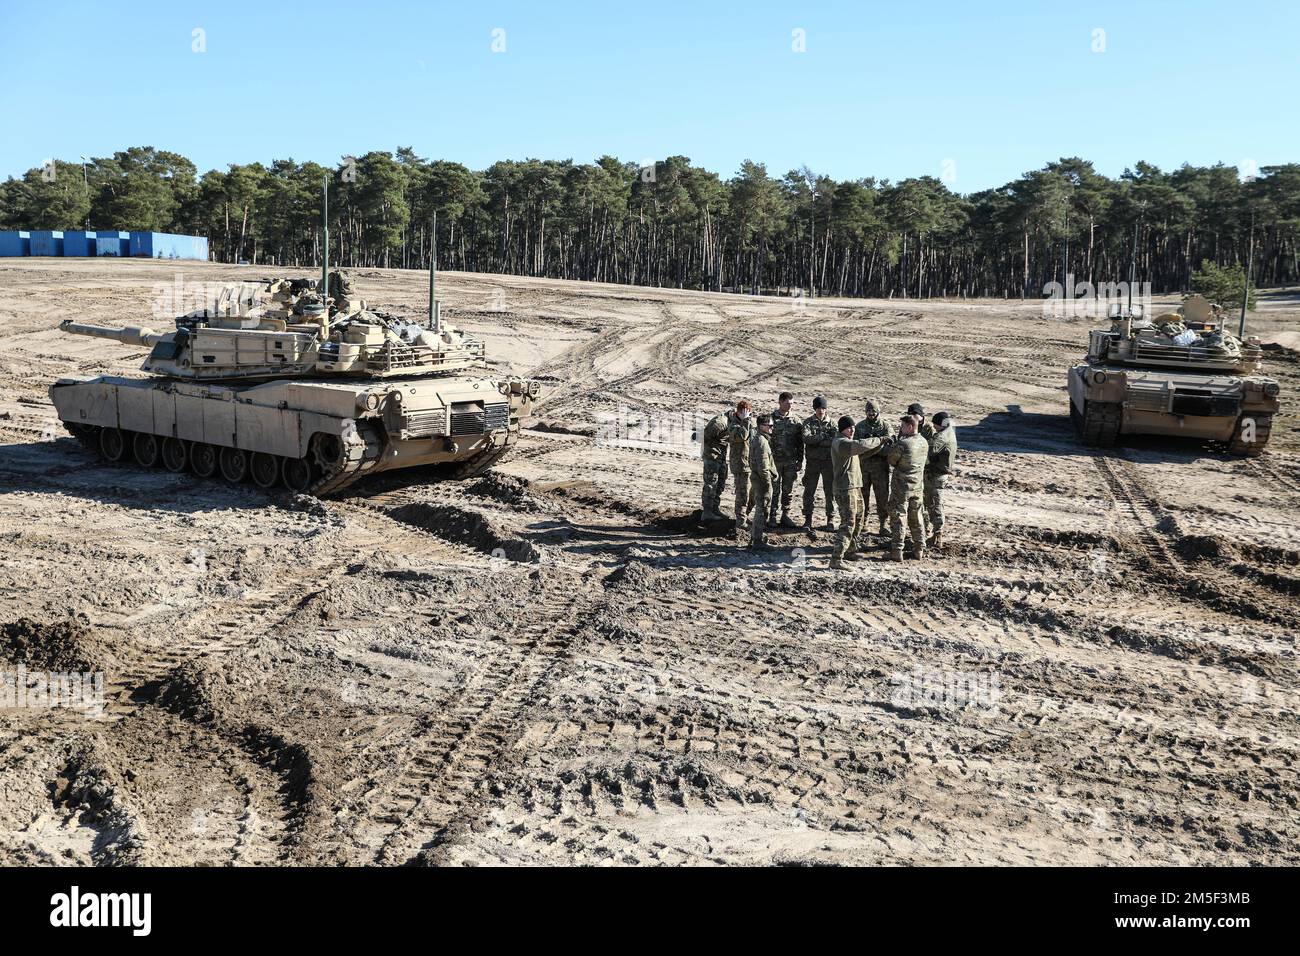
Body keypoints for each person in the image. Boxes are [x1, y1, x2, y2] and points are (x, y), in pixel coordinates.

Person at [828, 415, 890, 569]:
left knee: (859, 520)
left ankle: (850, 549)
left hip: (855, 487)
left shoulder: (848, 443)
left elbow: (863, 452)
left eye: (854, 427)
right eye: (849, 428)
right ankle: (836, 558)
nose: (852, 430)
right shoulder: (840, 443)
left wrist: (880, 446)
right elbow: (859, 446)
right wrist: (880, 439)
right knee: (848, 523)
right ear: (842, 429)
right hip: (845, 489)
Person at [886, 415, 929, 561]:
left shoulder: (903, 444)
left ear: (910, 427)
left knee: (899, 517)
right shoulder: (924, 442)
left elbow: (891, 460)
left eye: (903, 426)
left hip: (902, 487)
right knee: (917, 517)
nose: (901, 429)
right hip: (917, 486)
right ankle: (919, 548)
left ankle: (897, 550)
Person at [854, 397, 895, 542]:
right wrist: (878, 446)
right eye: (868, 411)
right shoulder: (859, 427)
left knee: (882, 496)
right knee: (862, 495)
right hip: (863, 467)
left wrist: (872, 448)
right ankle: (863, 521)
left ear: (878, 412)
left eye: (873, 411)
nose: (871, 414)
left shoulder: (885, 427)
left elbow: (890, 448)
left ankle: (883, 524)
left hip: (880, 468)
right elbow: (858, 447)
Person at [801, 396, 837, 532]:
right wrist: (823, 437)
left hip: (828, 463)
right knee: (809, 491)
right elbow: (806, 438)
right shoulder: (808, 423)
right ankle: (808, 519)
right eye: (818, 408)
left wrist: (817, 441)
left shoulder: (832, 424)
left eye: (823, 408)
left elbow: (834, 441)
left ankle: (830, 519)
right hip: (812, 463)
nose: (821, 411)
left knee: (830, 492)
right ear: (814, 409)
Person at [768, 392, 803, 528]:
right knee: (774, 490)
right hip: (774, 461)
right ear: (780, 402)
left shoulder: (796, 420)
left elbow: (800, 443)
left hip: (790, 462)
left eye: (792, 403)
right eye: (788, 403)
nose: (790, 406)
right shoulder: (771, 419)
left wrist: (800, 460)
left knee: (788, 490)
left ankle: (785, 515)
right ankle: (772, 516)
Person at [925, 411, 957, 549]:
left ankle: (938, 536)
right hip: (939, 474)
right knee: (934, 502)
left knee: (935, 503)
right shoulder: (949, 430)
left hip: (937, 475)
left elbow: (930, 448)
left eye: (935, 425)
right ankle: (936, 533)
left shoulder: (943, 436)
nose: (934, 427)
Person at [748, 414, 780, 550]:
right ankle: (757, 541)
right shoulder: (761, 442)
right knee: (762, 511)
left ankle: (755, 538)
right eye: (770, 426)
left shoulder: (760, 439)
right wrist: (768, 484)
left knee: (761, 509)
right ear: (762, 426)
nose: (772, 428)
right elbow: (763, 467)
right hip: (762, 482)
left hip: (758, 480)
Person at [727, 400, 755, 538]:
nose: (747, 415)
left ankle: (745, 515)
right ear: (738, 412)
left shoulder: (749, 423)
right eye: (744, 412)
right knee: (742, 495)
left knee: (752, 494)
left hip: (750, 464)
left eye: (748, 412)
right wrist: (745, 421)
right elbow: (742, 436)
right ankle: (740, 521)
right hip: (740, 465)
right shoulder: (733, 425)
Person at [698, 408, 731, 522]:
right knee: (711, 484)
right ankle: (707, 512)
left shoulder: (734, 421)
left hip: (720, 457)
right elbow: (703, 437)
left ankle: (714, 509)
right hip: (712, 457)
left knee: (720, 482)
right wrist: (711, 452)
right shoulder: (720, 423)